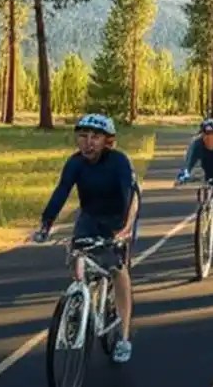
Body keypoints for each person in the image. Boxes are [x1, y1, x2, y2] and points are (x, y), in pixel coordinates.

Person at [32, 113, 140, 363]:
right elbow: (61, 192)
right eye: (83, 136)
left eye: (95, 137)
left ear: (107, 141)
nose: (88, 142)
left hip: (119, 215)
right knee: (77, 253)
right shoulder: (75, 163)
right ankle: (78, 301)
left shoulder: (119, 162)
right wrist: (45, 224)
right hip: (90, 216)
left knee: (117, 268)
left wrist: (125, 228)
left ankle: (124, 336)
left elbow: (128, 196)